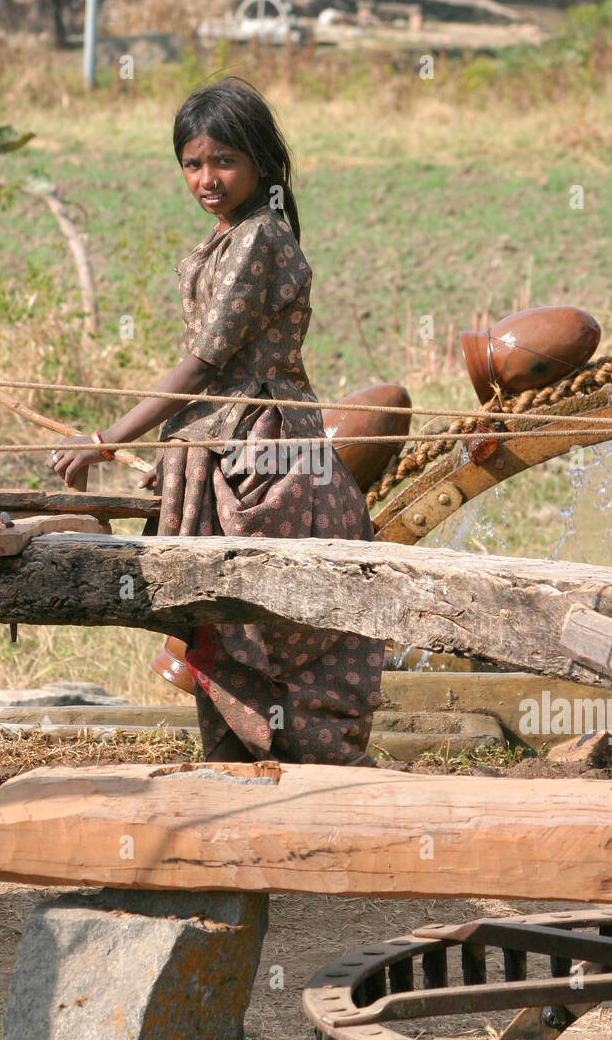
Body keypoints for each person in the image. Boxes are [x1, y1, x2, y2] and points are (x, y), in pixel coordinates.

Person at [50, 76, 384, 765]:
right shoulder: (226, 237)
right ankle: (235, 780)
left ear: (261, 161)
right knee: (218, 623)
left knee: (257, 621)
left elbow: (202, 364)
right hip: (218, 450)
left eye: (224, 161)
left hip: (264, 456)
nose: (207, 177)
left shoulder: (260, 239)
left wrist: (104, 441)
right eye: (193, 164)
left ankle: (293, 787)